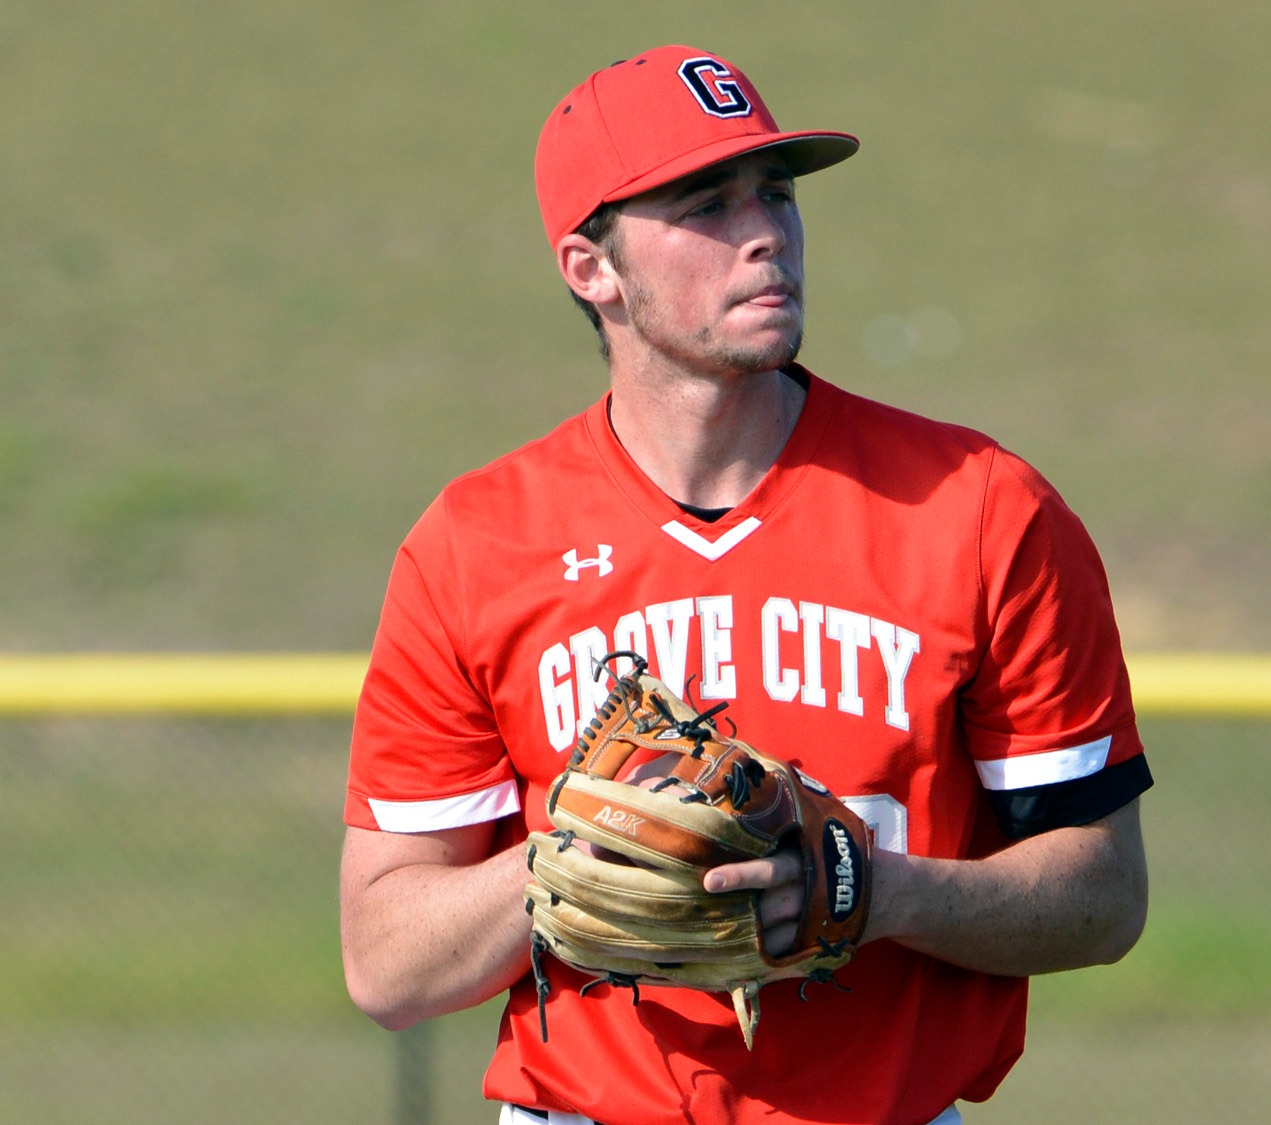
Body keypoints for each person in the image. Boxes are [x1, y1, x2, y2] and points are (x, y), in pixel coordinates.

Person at [340, 45, 1152, 1125]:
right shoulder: (476, 543)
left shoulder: (978, 509)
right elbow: (385, 966)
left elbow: (1101, 897)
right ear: (590, 267)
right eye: (705, 204)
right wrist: (574, 857)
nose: (763, 230)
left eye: (773, 191)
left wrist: (878, 893)